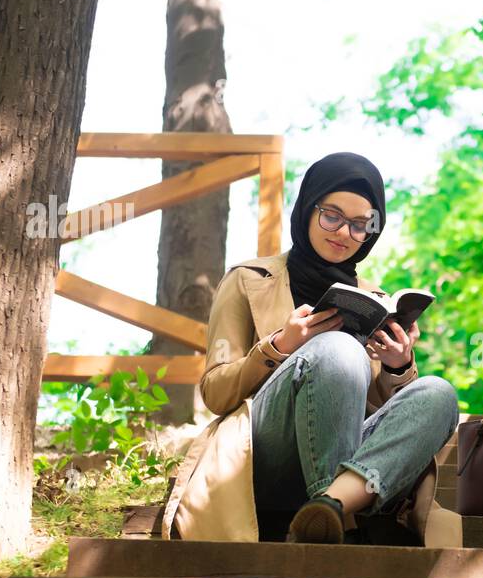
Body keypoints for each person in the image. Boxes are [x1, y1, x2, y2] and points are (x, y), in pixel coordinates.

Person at [159, 152, 460, 545]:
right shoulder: (248, 280)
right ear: (307, 209)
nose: (343, 232)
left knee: (439, 393)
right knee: (337, 348)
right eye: (332, 215)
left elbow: (387, 418)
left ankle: (329, 509)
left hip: (355, 469)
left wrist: (397, 366)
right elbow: (216, 392)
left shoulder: (375, 300)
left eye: (360, 224)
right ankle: (340, 518)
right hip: (268, 458)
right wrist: (280, 346)